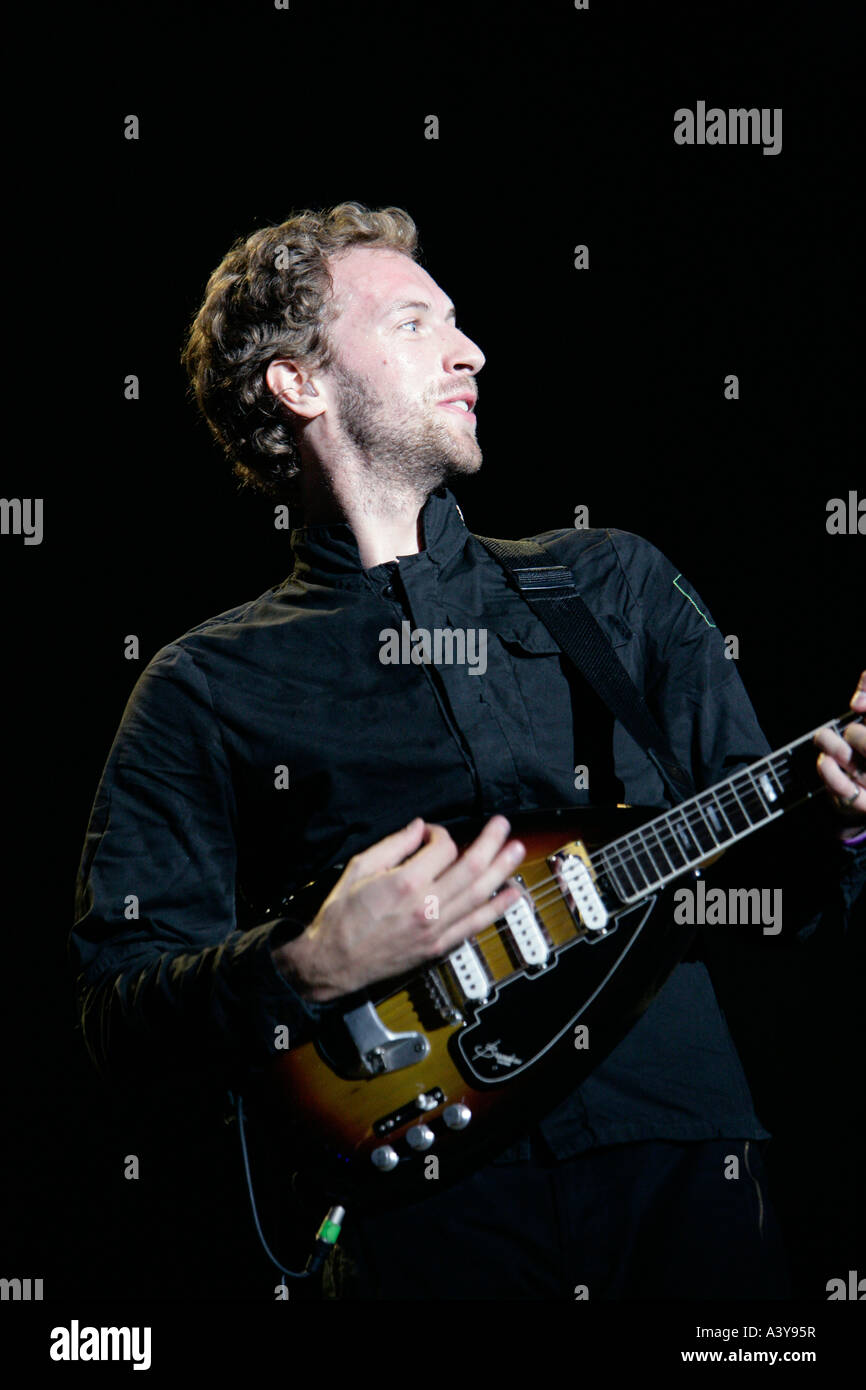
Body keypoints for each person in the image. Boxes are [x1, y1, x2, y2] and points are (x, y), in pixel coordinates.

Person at [71, 201, 865, 1301]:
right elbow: (117, 1012)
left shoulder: (608, 585)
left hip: (680, 1167)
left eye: (457, 320)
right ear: (298, 383)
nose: (469, 349)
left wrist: (843, 810)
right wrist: (303, 967)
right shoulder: (203, 685)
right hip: (421, 1218)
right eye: (412, 323)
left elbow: (786, 898)